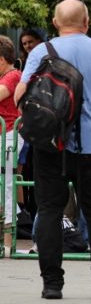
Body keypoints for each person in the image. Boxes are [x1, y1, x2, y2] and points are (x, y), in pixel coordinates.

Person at [14, 0, 91, 300]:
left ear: (55, 22)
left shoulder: (41, 51)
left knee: (50, 211)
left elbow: (19, 96)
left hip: (51, 144)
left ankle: (52, 284)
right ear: (87, 22)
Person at [1, 36, 22, 251]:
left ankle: (8, 244)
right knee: (5, 186)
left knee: (6, 186)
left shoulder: (13, 75)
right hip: (5, 135)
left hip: (8, 136)